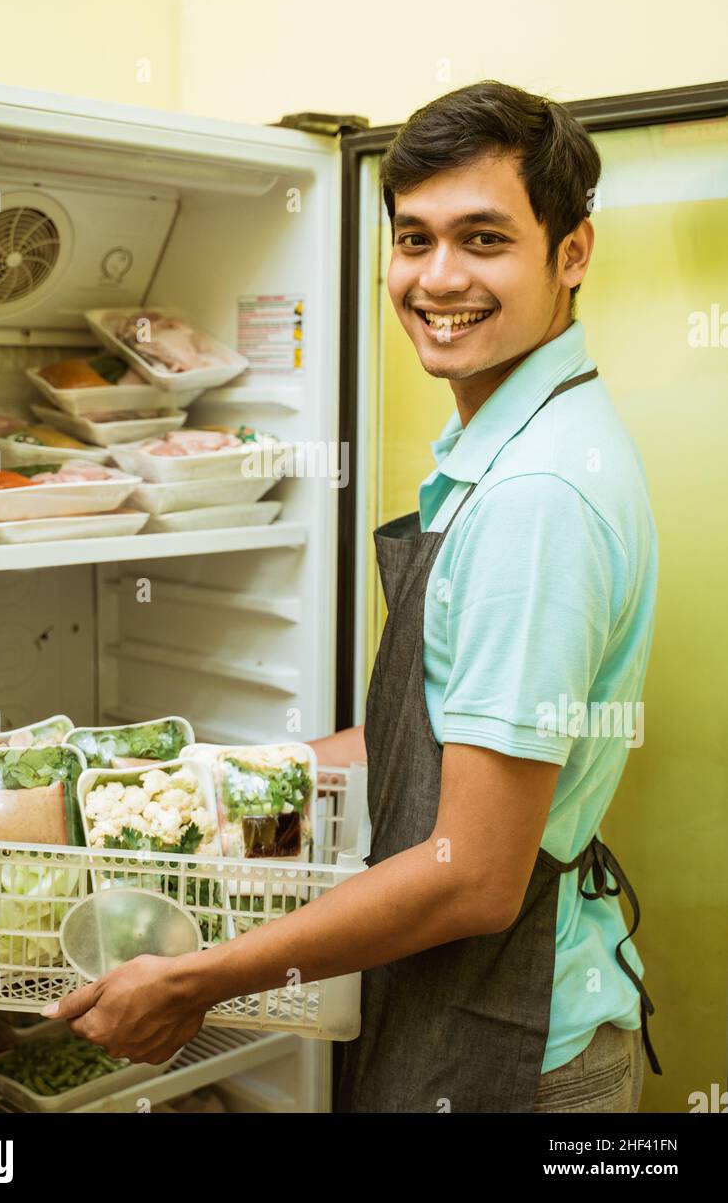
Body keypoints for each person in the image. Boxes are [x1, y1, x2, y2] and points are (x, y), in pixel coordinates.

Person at [46, 80, 661, 1114]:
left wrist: (195, 980)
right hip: (482, 1008)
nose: (437, 277)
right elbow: (450, 733)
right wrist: (217, 774)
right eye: (412, 239)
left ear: (570, 254)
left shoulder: (533, 499)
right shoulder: (519, 438)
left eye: (482, 239)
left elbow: (471, 874)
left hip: (520, 1053)